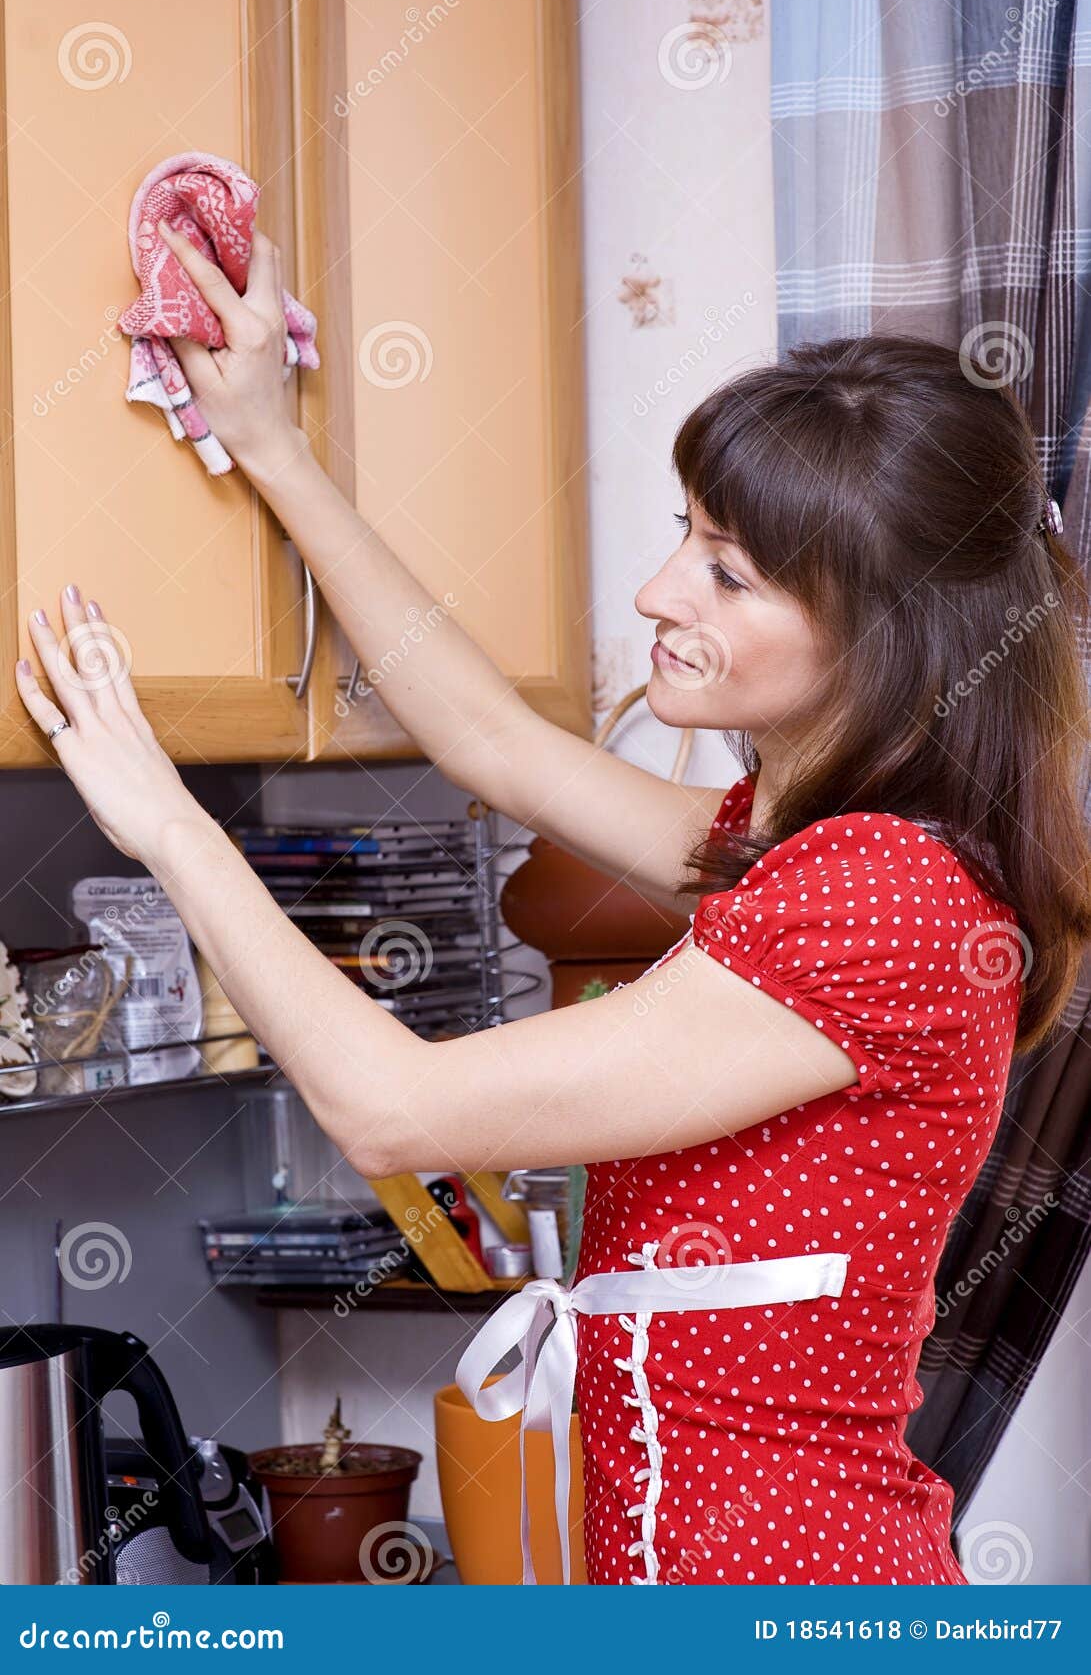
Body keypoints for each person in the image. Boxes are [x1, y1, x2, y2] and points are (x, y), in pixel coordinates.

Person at [15, 221, 1091, 1585]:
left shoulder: (877, 901)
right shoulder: (826, 852)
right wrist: (273, 443)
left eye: (726, 571)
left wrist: (166, 816)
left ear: (881, 639)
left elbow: (392, 1106)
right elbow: (497, 743)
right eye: (685, 536)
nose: (657, 593)